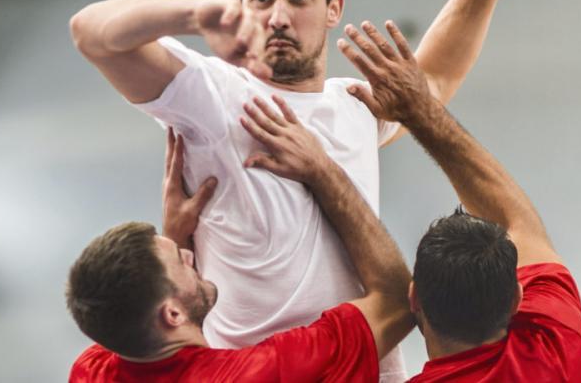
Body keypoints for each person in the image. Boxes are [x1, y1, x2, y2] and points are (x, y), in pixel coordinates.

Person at [69, 0, 554, 381]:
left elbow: (433, 81)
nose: (278, 16)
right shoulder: (213, 94)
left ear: (333, 10)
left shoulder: (353, 105)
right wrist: (195, 13)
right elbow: (92, 35)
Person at [332, 19, 581, 382]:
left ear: (414, 300)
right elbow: (516, 219)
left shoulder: (557, 339)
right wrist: (418, 110)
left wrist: (325, 173)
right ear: (517, 299)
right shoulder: (558, 344)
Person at [67, 123, 413, 381]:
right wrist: (323, 172)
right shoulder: (261, 373)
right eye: (180, 261)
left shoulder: (90, 370)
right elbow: (397, 302)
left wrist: (175, 235)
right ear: (172, 314)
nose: (189, 255)